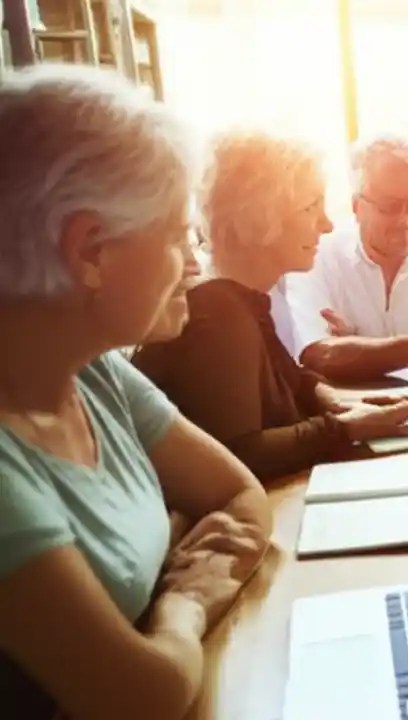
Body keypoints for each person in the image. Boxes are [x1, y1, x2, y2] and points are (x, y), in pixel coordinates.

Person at [0, 64, 271, 720]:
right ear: (90, 251)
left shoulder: (90, 370)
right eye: (180, 237)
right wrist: (183, 600)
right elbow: (142, 696)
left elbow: (242, 496)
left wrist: (158, 625)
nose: (193, 262)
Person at [132, 131, 408, 481]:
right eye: (312, 207)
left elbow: (289, 377)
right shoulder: (217, 312)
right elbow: (243, 454)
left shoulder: (244, 299)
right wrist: (345, 428)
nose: (327, 224)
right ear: (262, 215)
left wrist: (333, 400)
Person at [285, 135, 408, 381]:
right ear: (356, 206)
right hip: (347, 411)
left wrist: (358, 350)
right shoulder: (316, 260)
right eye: (390, 207)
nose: (406, 221)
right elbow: (320, 357)